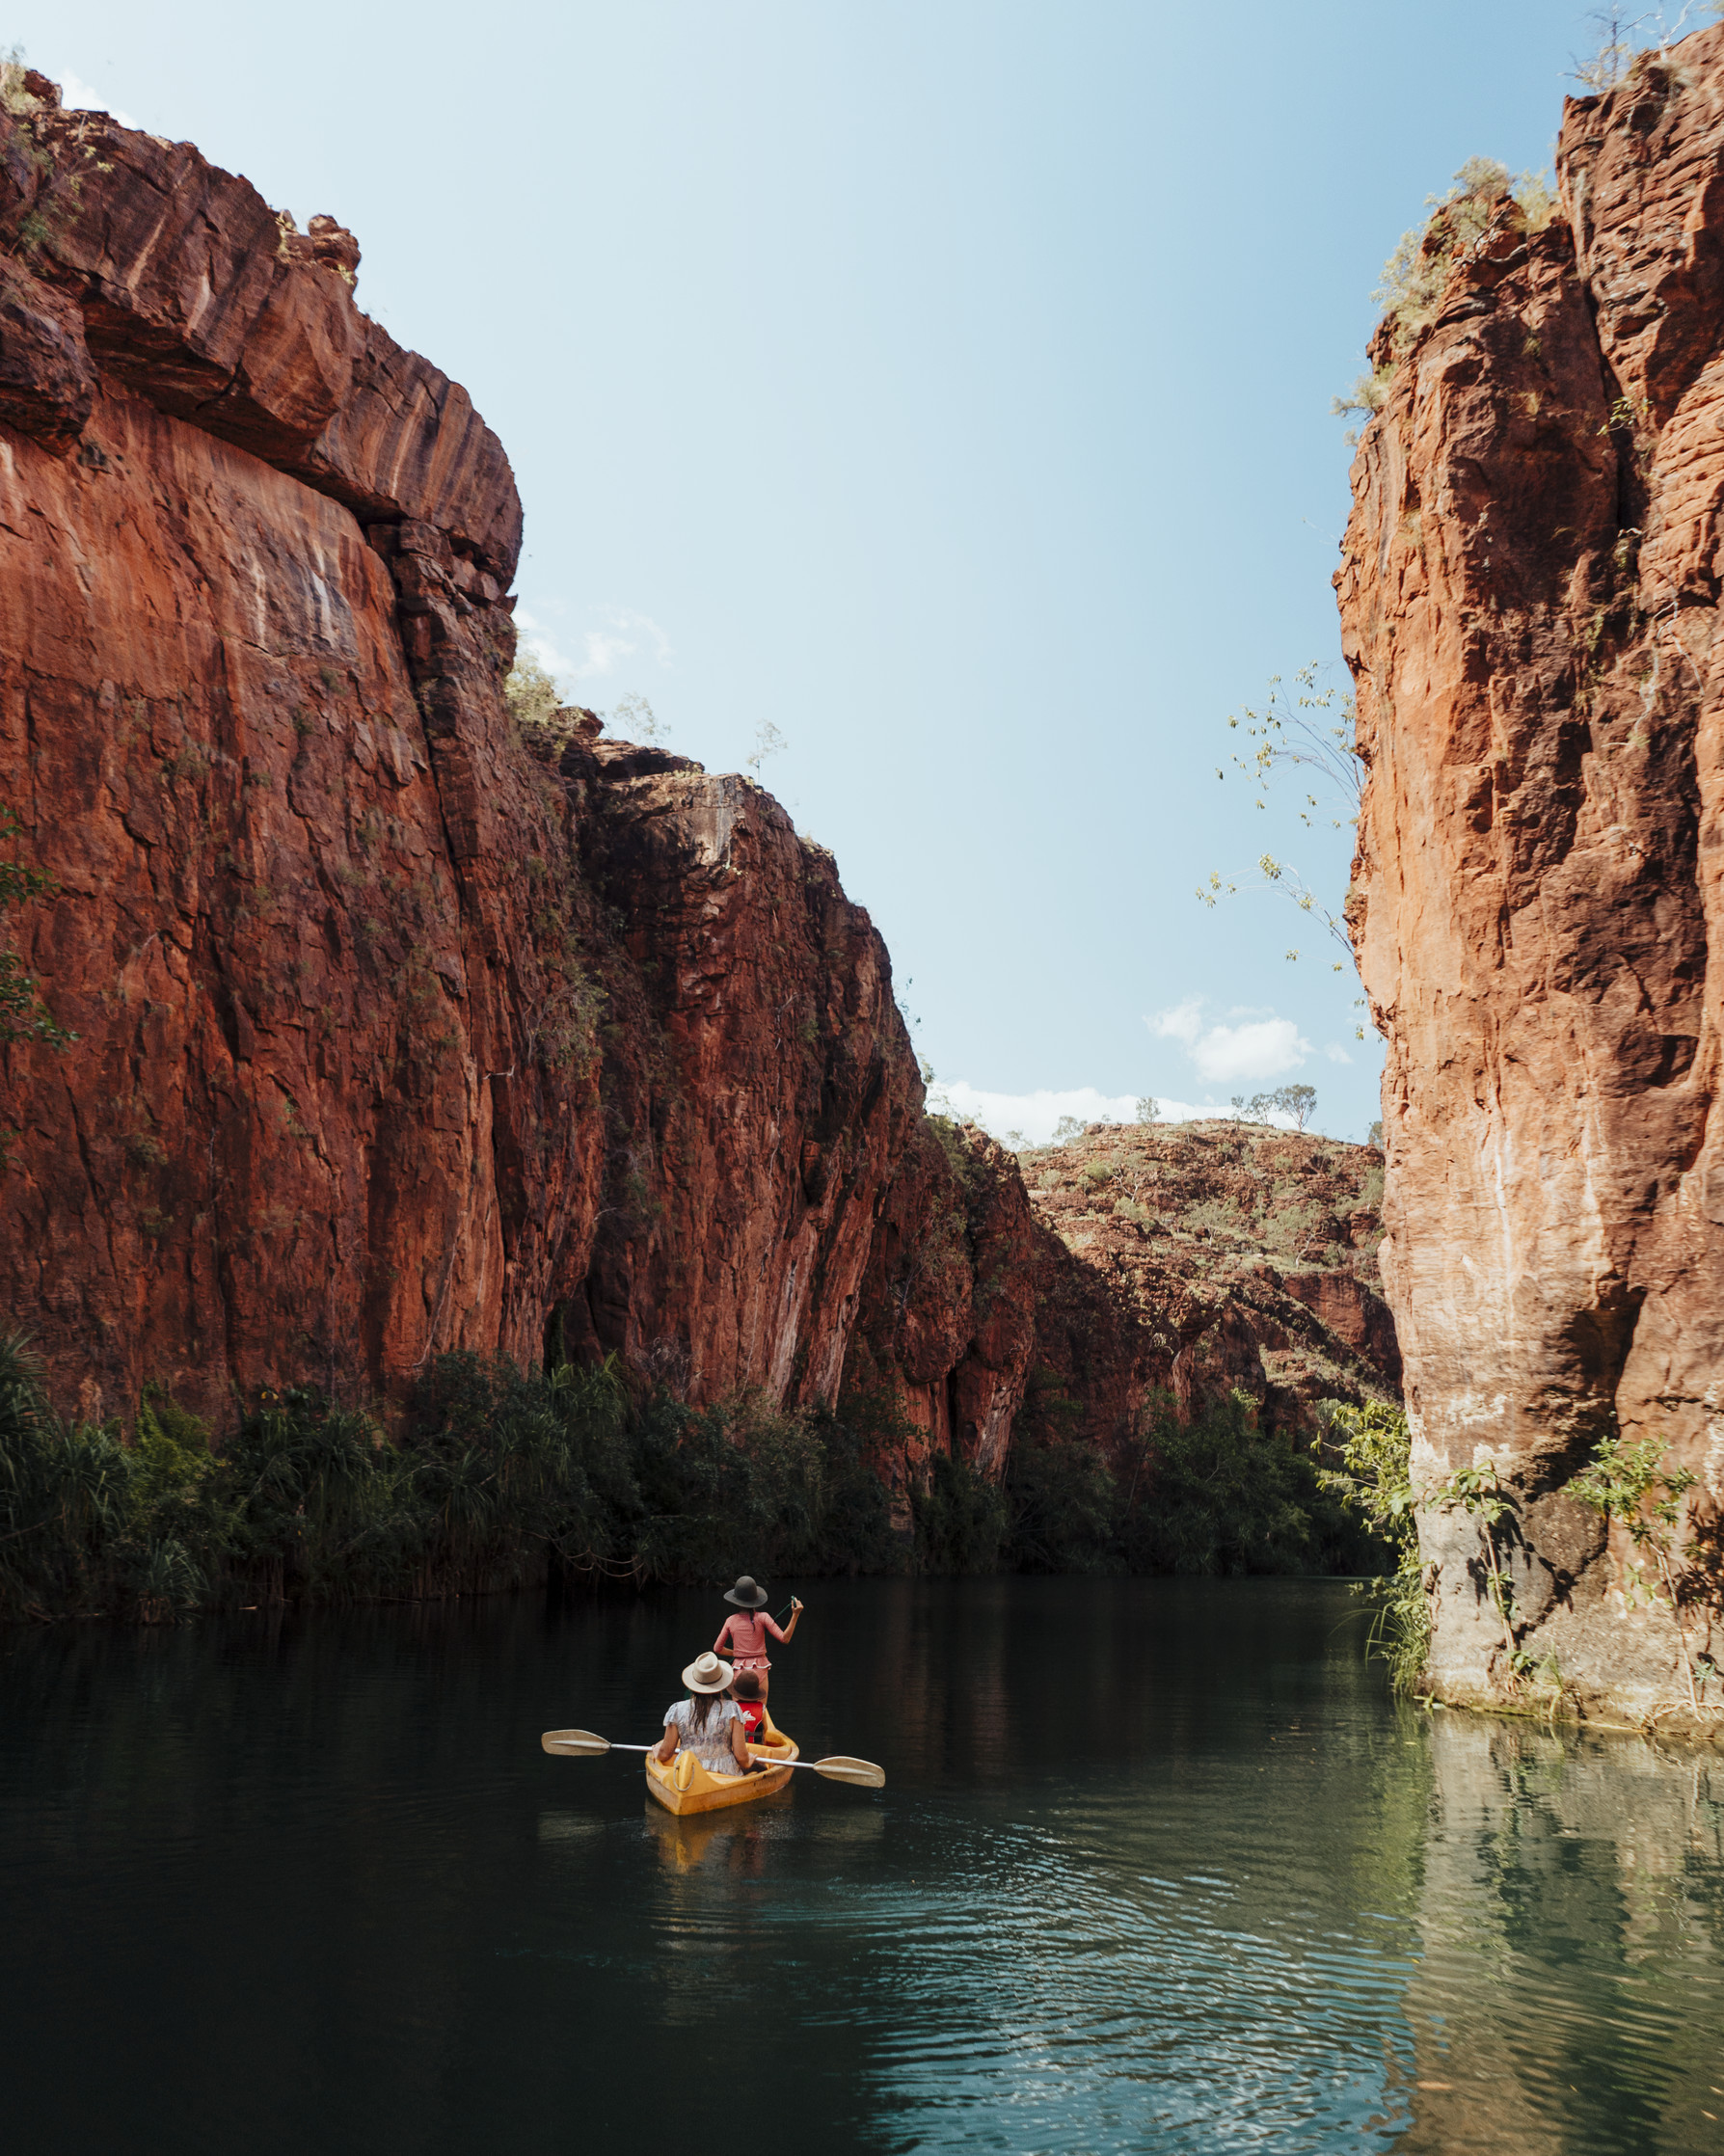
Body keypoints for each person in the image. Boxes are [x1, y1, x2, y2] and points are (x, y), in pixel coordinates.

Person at [656, 1652, 753, 1778]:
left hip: (685, 1773)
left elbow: (665, 1753)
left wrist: (657, 1752)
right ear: (720, 1683)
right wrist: (748, 1761)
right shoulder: (732, 1709)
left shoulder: (677, 1709)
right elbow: (741, 1757)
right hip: (723, 1774)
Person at [714, 1575, 802, 1703]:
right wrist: (795, 1615)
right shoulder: (763, 1617)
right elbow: (785, 1638)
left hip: (739, 1670)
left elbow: (717, 1648)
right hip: (760, 1668)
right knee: (761, 1710)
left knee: (739, 1711)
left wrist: (737, 1653)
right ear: (755, 1599)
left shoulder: (730, 1621)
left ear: (736, 1600)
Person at [729, 1667, 768, 1745]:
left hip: (736, 1746)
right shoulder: (762, 1709)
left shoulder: (731, 1707)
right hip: (757, 1746)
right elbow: (766, 1729)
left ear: (737, 1692)